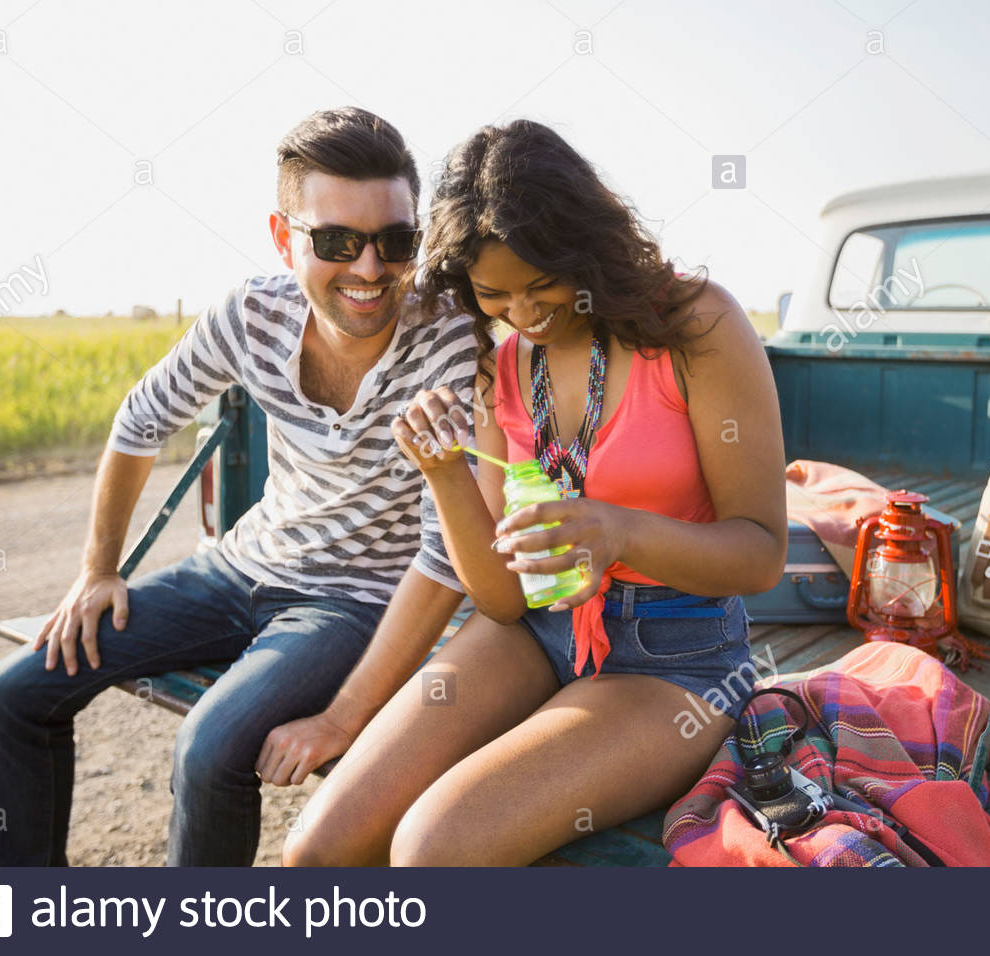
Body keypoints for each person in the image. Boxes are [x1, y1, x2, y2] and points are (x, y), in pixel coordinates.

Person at [0, 107, 477, 866]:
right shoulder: (251, 314)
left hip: (355, 603)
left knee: (208, 750)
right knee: (14, 691)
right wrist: (98, 570)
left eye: (397, 241)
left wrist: (344, 717)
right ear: (284, 239)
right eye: (336, 241)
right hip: (238, 567)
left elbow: (445, 560)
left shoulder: (450, 340)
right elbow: (142, 419)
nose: (370, 269)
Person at [283, 120, 788, 867]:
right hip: (535, 632)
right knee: (318, 850)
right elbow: (503, 600)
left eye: (540, 285)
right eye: (494, 296)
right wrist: (445, 473)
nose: (522, 314)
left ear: (583, 246)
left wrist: (620, 533)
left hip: (674, 657)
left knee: (431, 851)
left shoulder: (698, 325)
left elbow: (761, 555)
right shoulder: (509, 363)